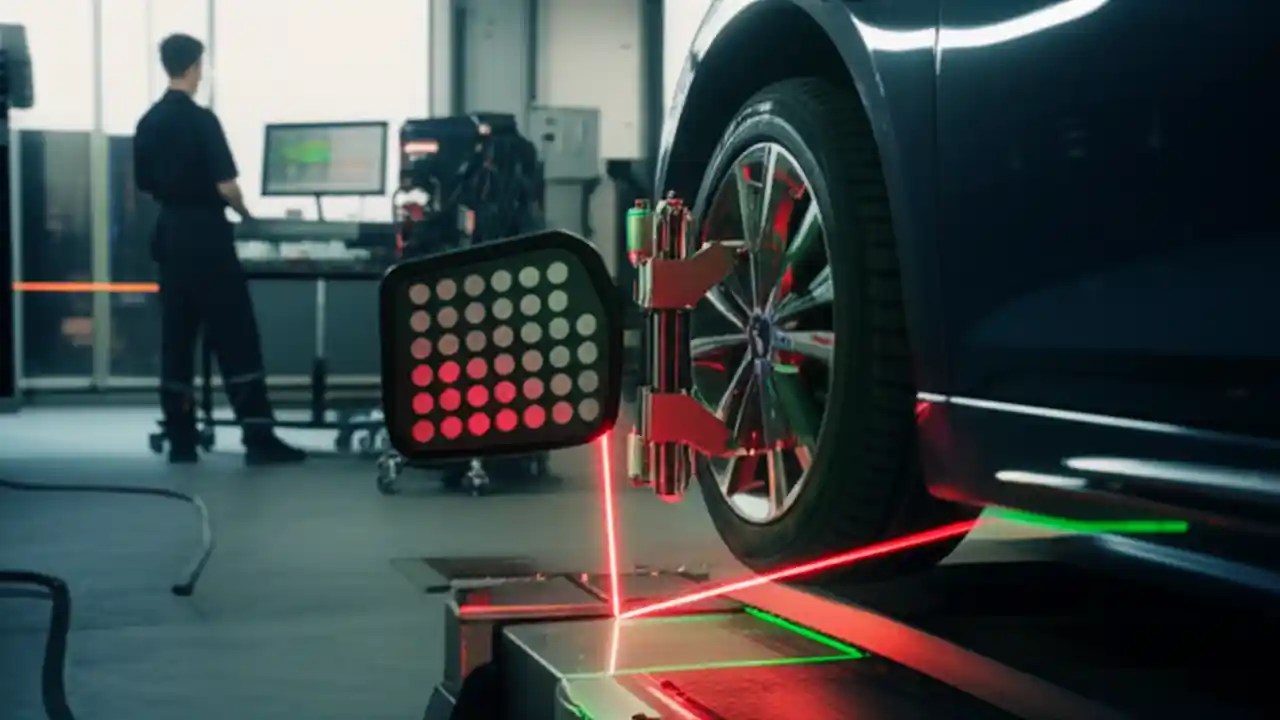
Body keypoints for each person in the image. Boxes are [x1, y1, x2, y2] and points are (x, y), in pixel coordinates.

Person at [134, 34, 304, 465]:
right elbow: (226, 185)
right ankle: (258, 438)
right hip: (207, 238)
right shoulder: (201, 121)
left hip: (171, 237)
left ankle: (181, 439)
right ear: (195, 67)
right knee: (236, 337)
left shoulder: (148, 122)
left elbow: (146, 183)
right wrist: (248, 217)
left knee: (176, 340)